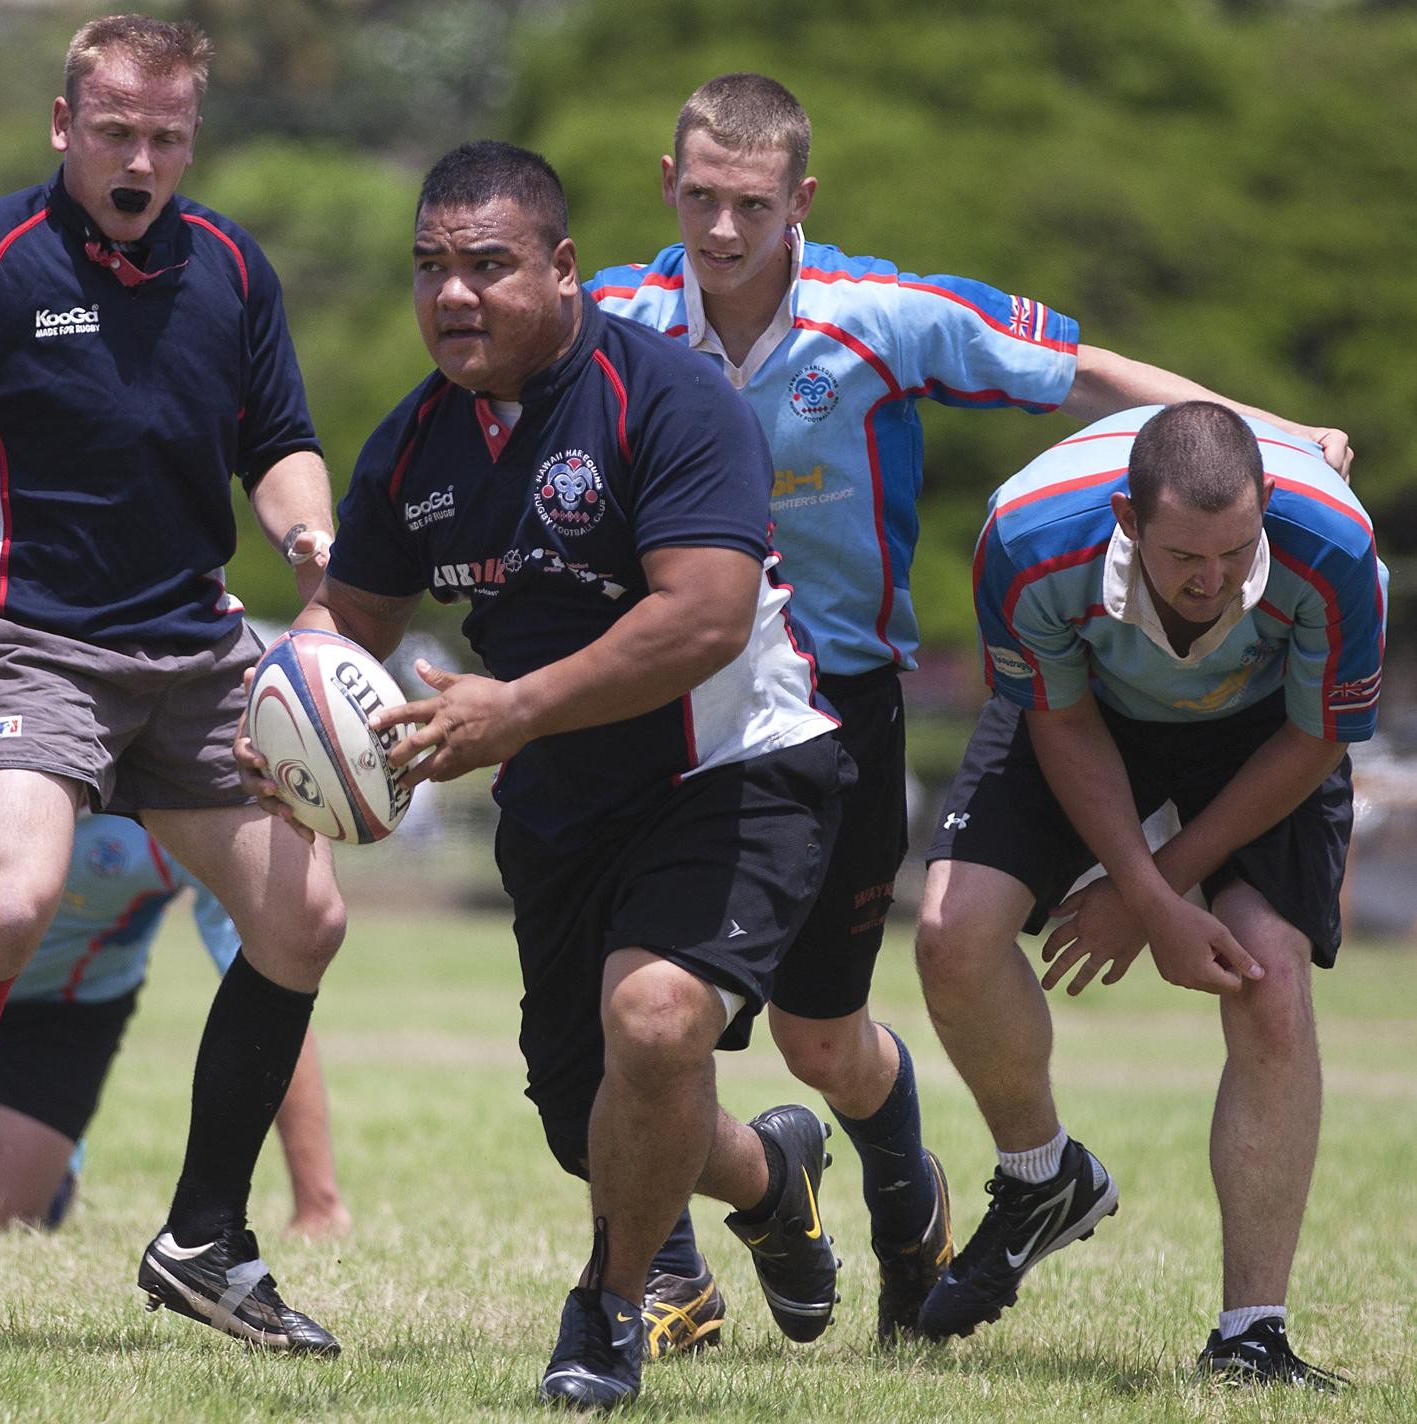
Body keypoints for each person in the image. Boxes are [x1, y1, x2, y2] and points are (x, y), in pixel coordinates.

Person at [587, 72, 1355, 1348]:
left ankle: (908, 1194)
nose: (723, 233)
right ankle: (663, 1268)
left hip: (833, 712)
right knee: (626, 997)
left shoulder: (879, 314)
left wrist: (1272, 432)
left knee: (818, 1035)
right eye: (703, 199)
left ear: (801, 202)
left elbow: (1089, 371)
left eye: (754, 205)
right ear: (666, 183)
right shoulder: (611, 316)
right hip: (665, 694)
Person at [252, 138, 851, 1410]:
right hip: (564, 804)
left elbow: (704, 614)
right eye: (430, 269)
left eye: (487, 266)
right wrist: (286, 730)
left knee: (654, 1022)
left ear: (565, 268)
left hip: (734, 767)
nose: (453, 296)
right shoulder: (413, 447)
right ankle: (771, 1177)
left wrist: (514, 708)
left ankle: (610, 1311)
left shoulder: (673, 400)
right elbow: (342, 623)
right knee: (587, 1108)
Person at [0, 14, 348, 1352]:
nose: (142, 156)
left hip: (195, 647)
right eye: (116, 130)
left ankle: (205, 1241)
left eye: (168, 135)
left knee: (308, 924)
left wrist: (309, 535)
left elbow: (282, 444)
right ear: (65, 126)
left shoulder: (231, 268)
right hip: (28, 640)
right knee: (8, 902)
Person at [912, 402, 1380, 1389]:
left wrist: (1152, 892)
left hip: (1262, 735)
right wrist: (1145, 889)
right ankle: (1042, 1175)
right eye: (1184, 559)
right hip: (1086, 710)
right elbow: (1061, 720)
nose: (1212, 581)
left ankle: (1251, 1333)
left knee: (1269, 977)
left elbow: (1316, 736)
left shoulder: (1336, 545)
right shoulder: (1026, 534)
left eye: (1236, 552)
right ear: (1126, 515)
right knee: (951, 933)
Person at [0, 688, 350, 1237]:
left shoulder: (202, 780)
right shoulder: (7, 684)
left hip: (67, 1011)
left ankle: (41, 1174)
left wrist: (317, 1201)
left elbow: (269, 985)